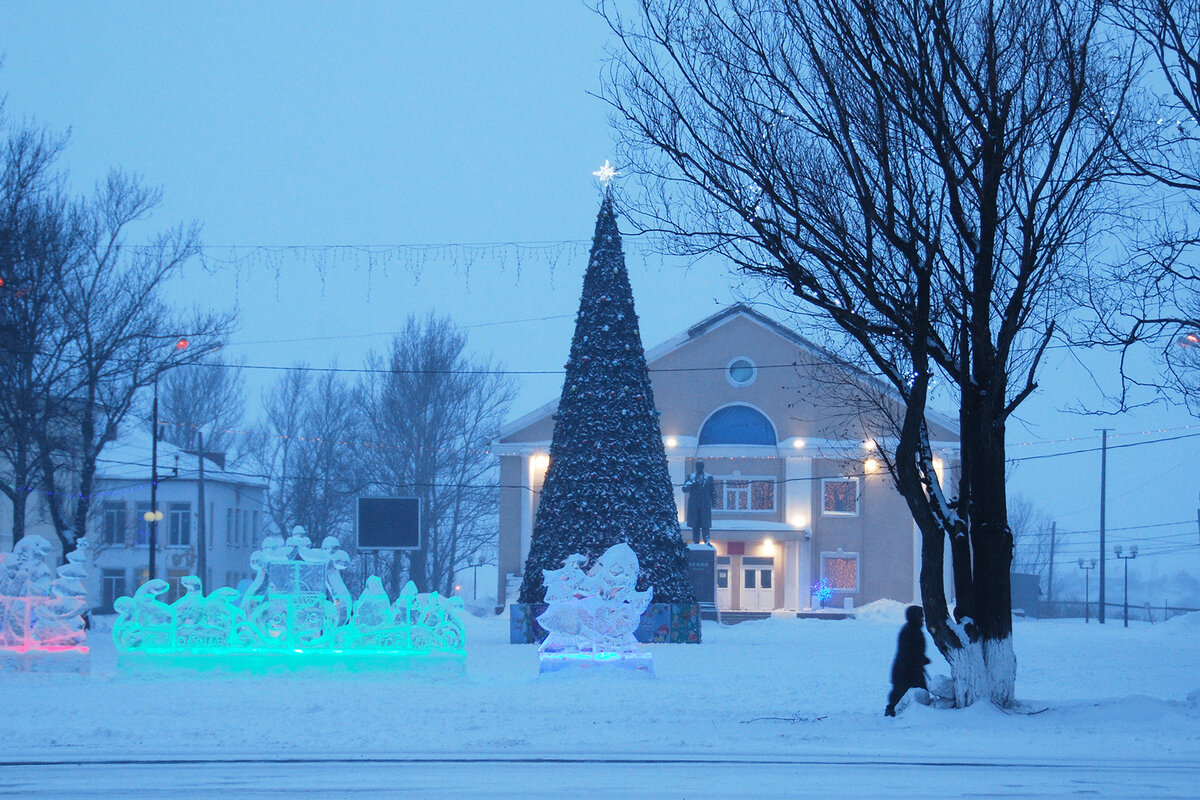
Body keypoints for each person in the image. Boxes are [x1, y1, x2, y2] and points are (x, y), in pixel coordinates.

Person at [885, 604, 931, 717]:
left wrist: (922, 659)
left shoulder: (914, 630)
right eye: (920, 617)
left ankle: (916, 711)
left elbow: (915, 650)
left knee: (917, 690)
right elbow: (907, 651)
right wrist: (920, 659)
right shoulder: (909, 631)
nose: (922, 620)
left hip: (913, 667)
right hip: (905, 669)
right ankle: (892, 710)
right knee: (901, 690)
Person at [681, 460, 717, 545]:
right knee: (695, 525)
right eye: (698, 466)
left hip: (705, 505)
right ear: (696, 467)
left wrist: (714, 501)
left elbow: (713, 491)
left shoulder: (709, 477)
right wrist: (692, 484)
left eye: (701, 466)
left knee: (705, 525)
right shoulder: (690, 477)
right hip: (694, 506)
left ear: (703, 467)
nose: (699, 468)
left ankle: (707, 540)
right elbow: (684, 489)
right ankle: (695, 542)